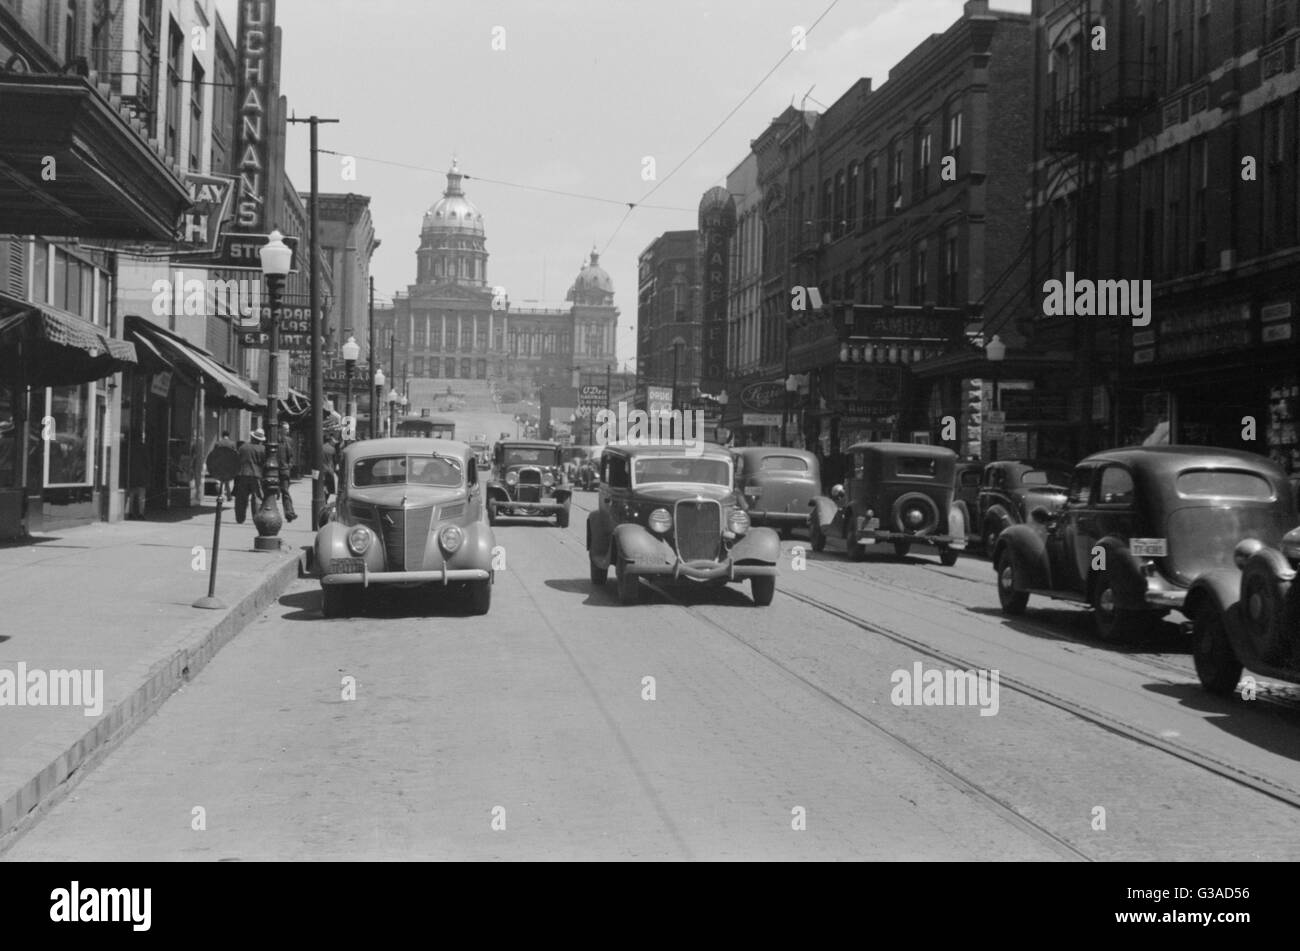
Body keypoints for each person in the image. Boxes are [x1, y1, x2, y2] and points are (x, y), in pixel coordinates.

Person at [234, 429, 266, 524]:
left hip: (242, 474)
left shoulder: (243, 447)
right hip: (256, 475)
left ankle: (240, 518)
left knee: (241, 498)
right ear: (260, 439)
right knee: (257, 497)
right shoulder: (262, 449)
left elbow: (236, 459)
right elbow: (264, 463)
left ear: (252, 437)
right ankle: (256, 518)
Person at [214, 430, 237, 500]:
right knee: (229, 480)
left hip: (220, 463)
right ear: (228, 435)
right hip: (229, 464)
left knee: (220, 480)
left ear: (222, 435)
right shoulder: (232, 444)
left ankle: (221, 495)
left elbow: (214, 454)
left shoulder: (218, 443)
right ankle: (229, 495)